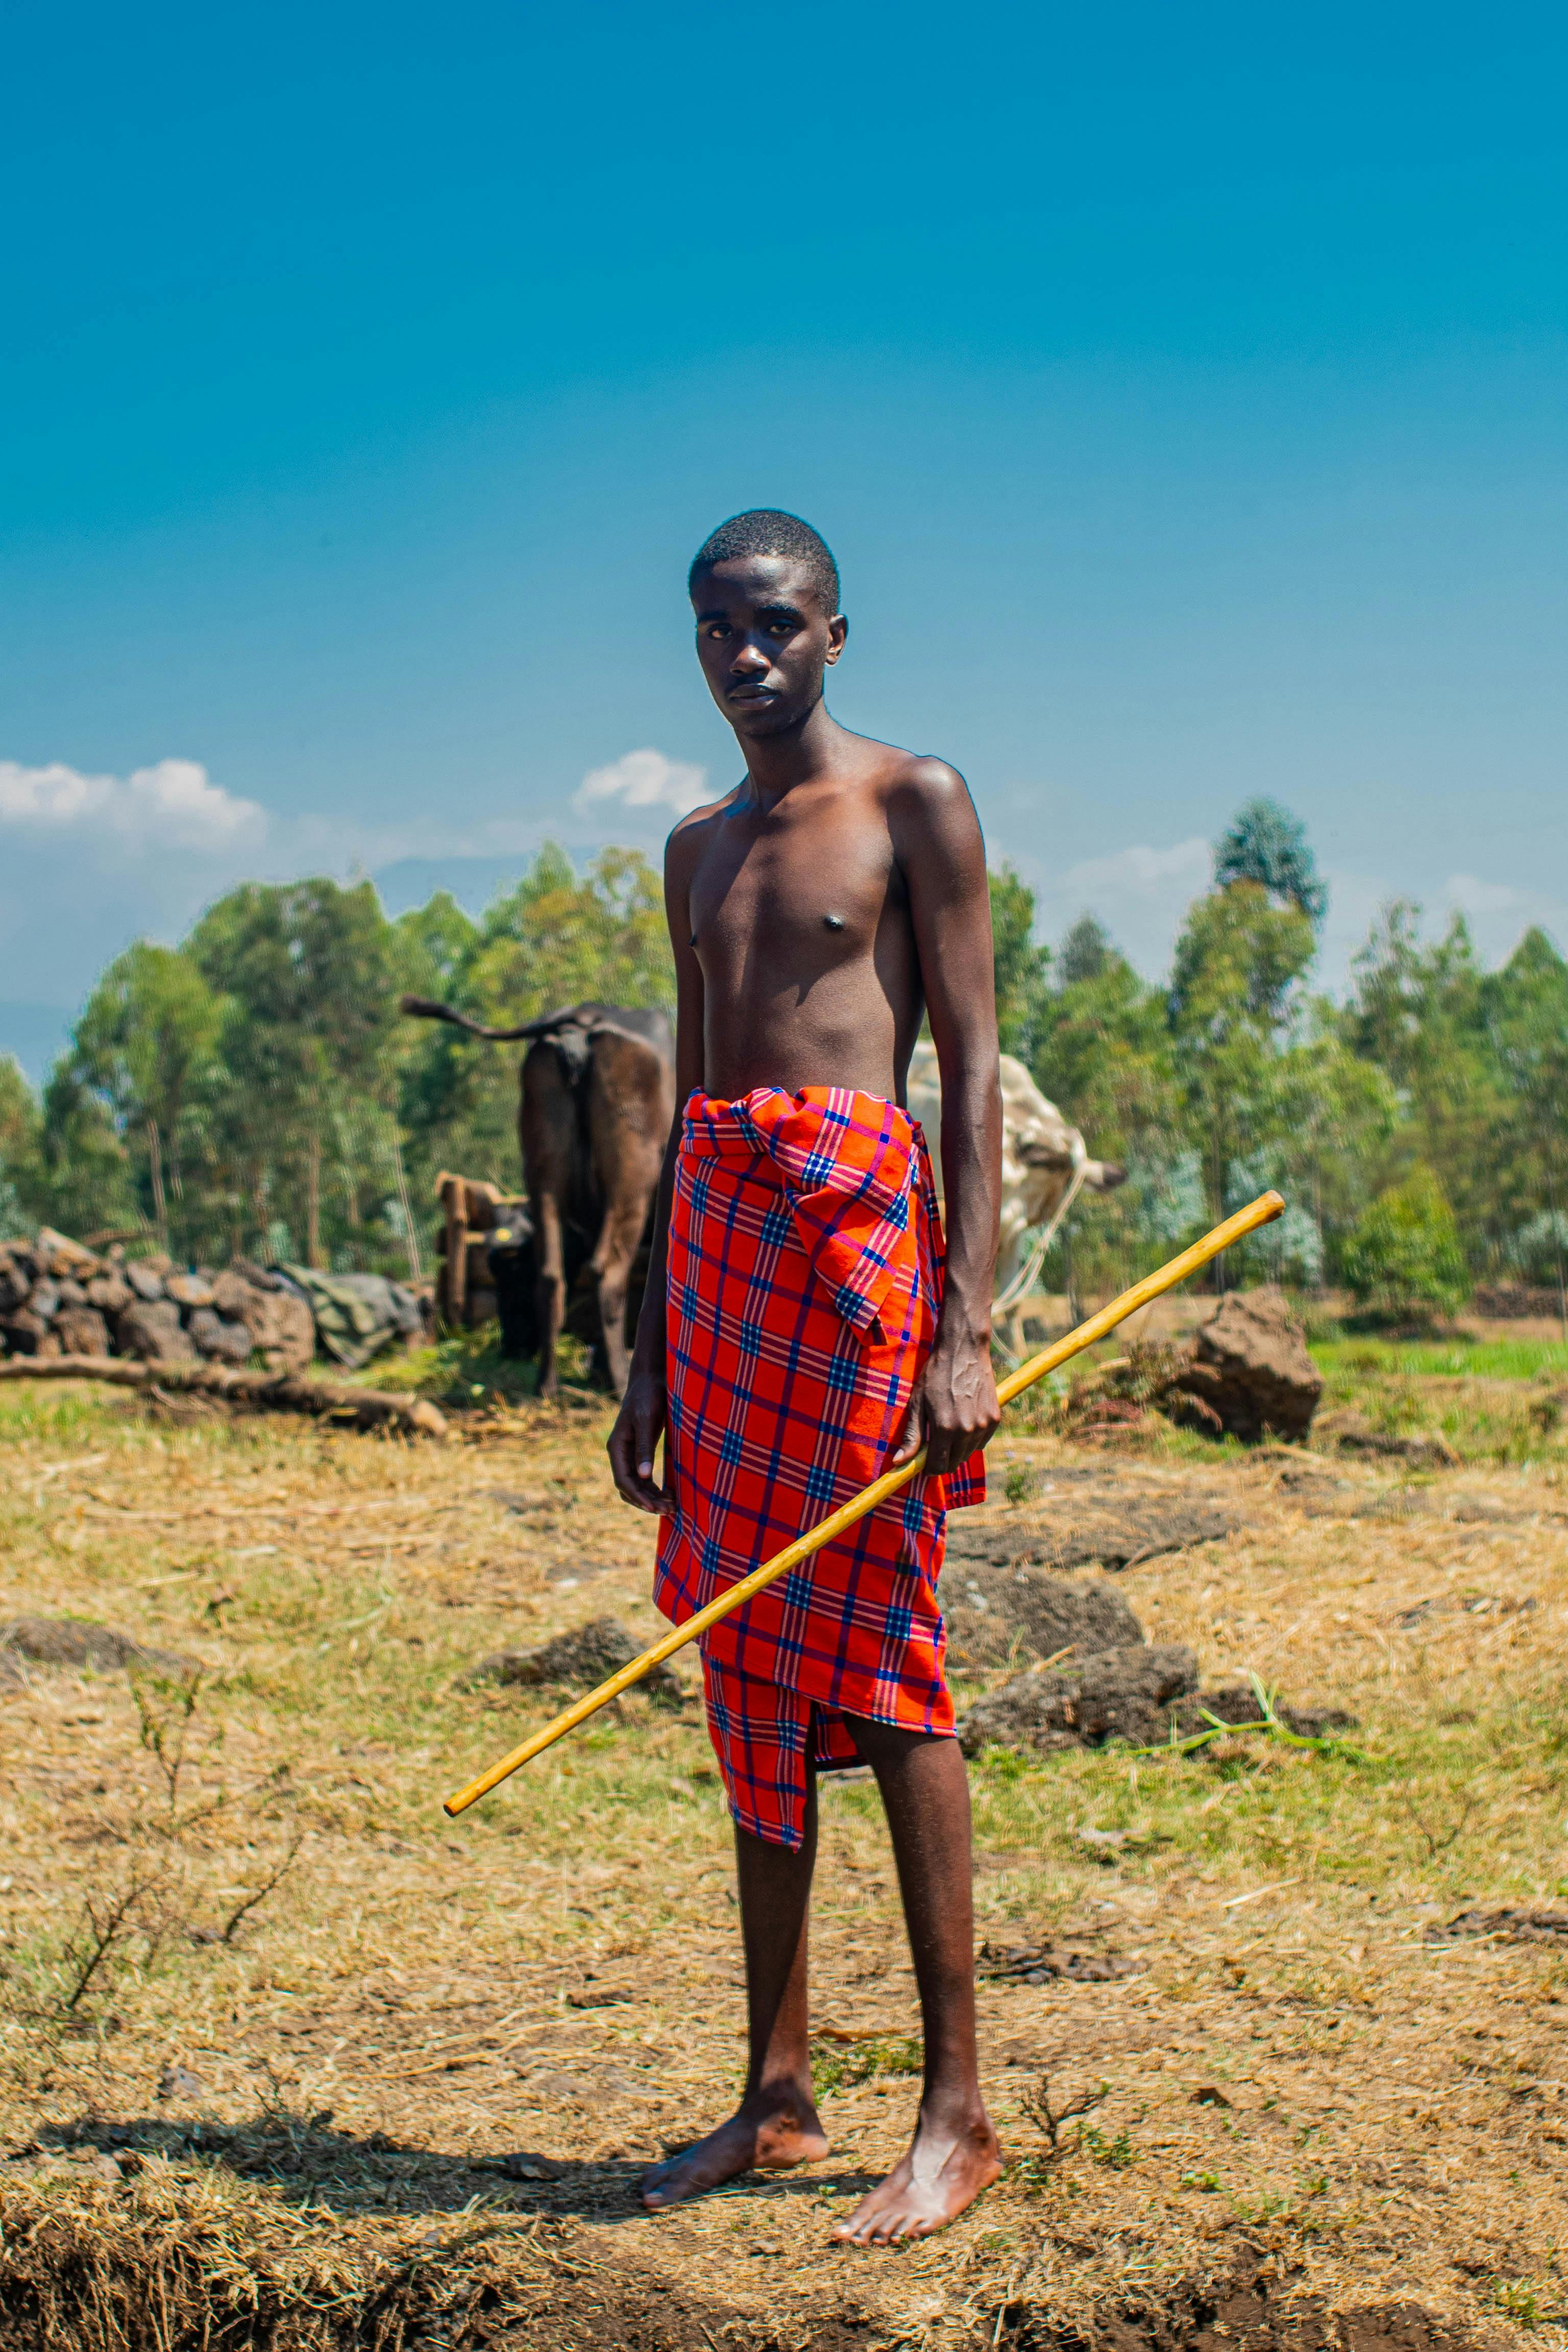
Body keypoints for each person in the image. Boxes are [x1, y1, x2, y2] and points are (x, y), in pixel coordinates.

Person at [606, 508, 1003, 2244]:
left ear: (836, 634)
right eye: (716, 630)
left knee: (888, 1655)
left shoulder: (914, 802)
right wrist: (644, 1361)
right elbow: (692, 1116)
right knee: (750, 1662)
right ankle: (775, 2095)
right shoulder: (697, 848)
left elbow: (974, 1074)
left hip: (857, 1273)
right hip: (720, 1277)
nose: (745, 655)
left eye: (774, 625)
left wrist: (968, 1323)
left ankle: (957, 2110)